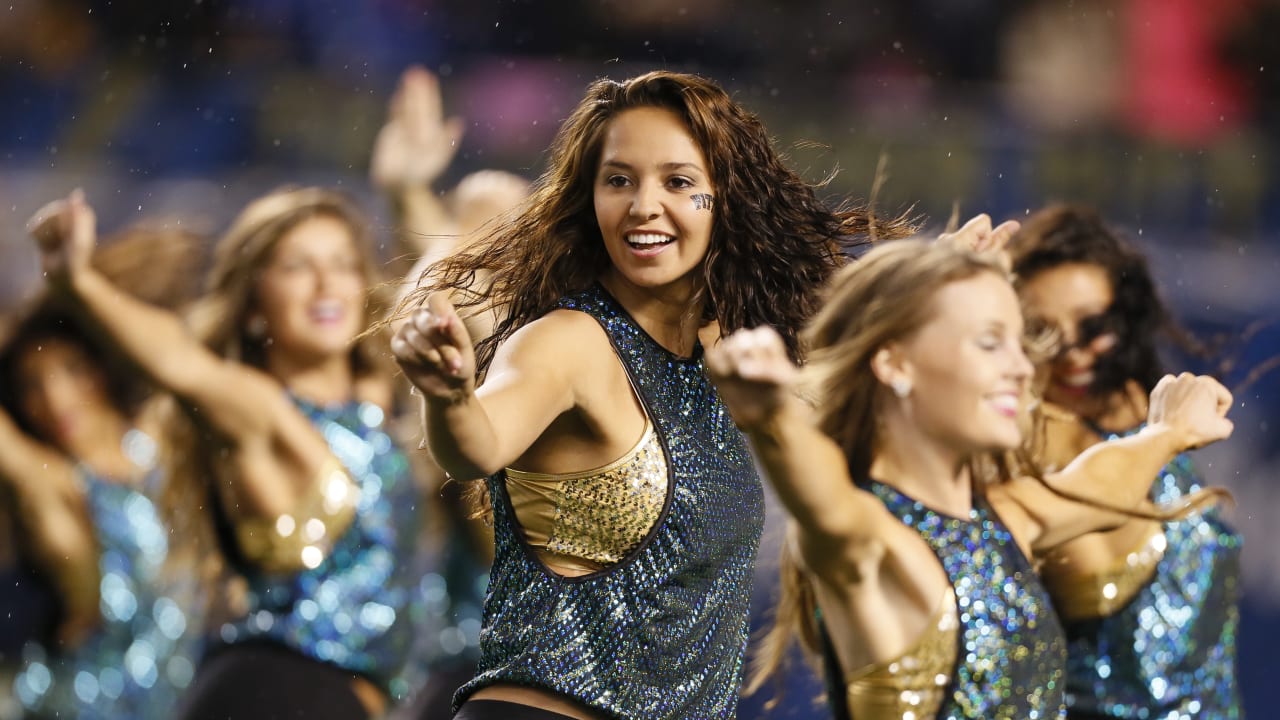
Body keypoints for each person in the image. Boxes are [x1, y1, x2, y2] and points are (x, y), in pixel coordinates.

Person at [389, 69, 914, 719]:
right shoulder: (570, 339)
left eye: (678, 182)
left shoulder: (722, 353)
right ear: (590, 198)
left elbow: (854, 373)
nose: (643, 205)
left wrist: (945, 294)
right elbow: (477, 445)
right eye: (619, 180)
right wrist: (449, 397)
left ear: (727, 201)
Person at [705, 239, 1233, 720]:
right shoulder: (881, 547)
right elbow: (824, 502)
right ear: (895, 364)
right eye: (989, 342)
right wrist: (772, 415)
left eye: (1018, 342)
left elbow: (1096, 485)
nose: (1023, 368)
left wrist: (1169, 432)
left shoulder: (1003, 521)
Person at [27, 187, 423, 720]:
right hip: (273, 694)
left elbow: (440, 291)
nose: (327, 284)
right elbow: (180, 362)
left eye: (344, 264)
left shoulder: (376, 405)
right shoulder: (259, 411)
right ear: (255, 307)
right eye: (297, 267)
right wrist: (81, 283)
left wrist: (408, 187)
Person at [1008, 205, 1242, 718]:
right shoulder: (1022, 437)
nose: (1072, 351)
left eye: (1092, 325)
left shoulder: (1143, 406)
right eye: (1043, 331)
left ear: (1127, 317)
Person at [0, 227, 206, 720]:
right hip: (87, 700)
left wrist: (76, 286)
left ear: (101, 369)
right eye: (32, 386)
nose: (54, 400)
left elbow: (183, 352)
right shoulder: (54, 480)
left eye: (71, 371)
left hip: (187, 689)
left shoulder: (165, 439)